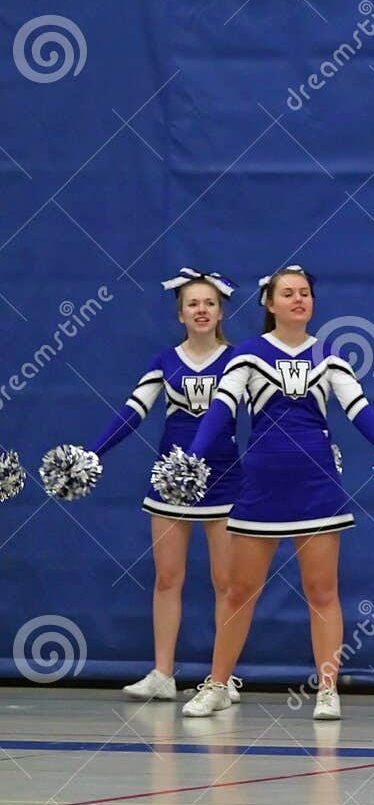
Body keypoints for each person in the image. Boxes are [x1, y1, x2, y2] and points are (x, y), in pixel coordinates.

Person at [174, 266, 374, 721]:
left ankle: (327, 689)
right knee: (240, 591)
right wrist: (194, 457)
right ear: (269, 303)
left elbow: (360, 410)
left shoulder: (329, 357)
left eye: (305, 293)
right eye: (288, 293)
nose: (299, 300)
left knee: (322, 590)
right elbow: (220, 414)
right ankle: (219, 684)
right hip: (261, 487)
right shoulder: (245, 356)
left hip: (316, 486)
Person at [67, 268, 243, 702]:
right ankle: (163, 674)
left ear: (220, 311)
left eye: (209, 303)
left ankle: (221, 679)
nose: (201, 310)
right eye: (192, 304)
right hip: (170, 483)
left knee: (227, 582)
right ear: (180, 314)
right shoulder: (164, 362)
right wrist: (94, 453)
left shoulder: (240, 361)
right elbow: (132, 412)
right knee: (168, 578)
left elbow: (274, 414)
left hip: (224, 481)